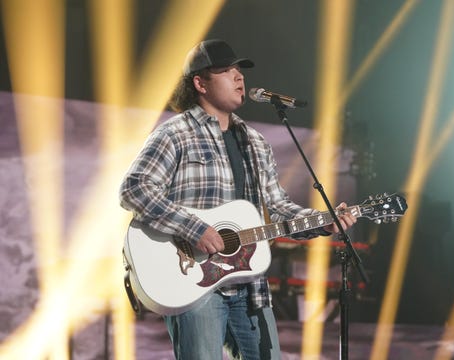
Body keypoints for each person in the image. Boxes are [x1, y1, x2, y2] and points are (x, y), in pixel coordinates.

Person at [119, 39, 356, 360]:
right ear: (200, 83)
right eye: (226, 71)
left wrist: (324, 222)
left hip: (250, 287)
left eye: (239, 71)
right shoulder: (175, 133)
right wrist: (194, 228)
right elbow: (134, 188)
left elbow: (279, 207)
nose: (239, 77)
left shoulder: (255, 142)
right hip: (194, 286)